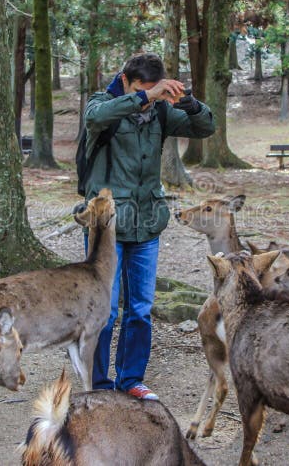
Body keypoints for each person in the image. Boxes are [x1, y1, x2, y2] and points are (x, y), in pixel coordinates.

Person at [81, 52, 215, 400]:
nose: (149, 100)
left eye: (154, 91)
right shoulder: (104, 102)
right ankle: (97, 383)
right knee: (105, 311)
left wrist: (187, 102)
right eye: (143, 90)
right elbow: (95, 118)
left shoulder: (160, 112)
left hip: (147, 223)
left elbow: (205, 127)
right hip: (107, 227)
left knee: (140, 309)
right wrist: (144, 97)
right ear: (126, 81)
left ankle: (130, 378)